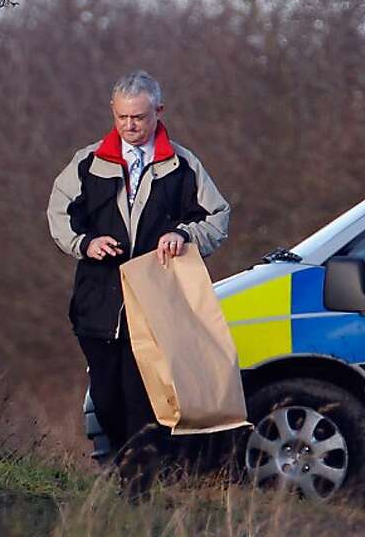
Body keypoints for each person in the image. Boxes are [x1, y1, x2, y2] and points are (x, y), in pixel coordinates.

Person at [47, 71, 230, 462]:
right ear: (112, 112)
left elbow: (217, 218)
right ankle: (126, 469)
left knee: (143, 398)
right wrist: (86, 243)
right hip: (98, 306)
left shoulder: (183, 165)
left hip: (156, 306)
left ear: (159, 112)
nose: (130, 126)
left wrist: (183, 235)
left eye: (139, 117)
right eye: (122, 117)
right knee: (106, 398)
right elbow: (59, 214)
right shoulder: (87, 163)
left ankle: (140, 480)